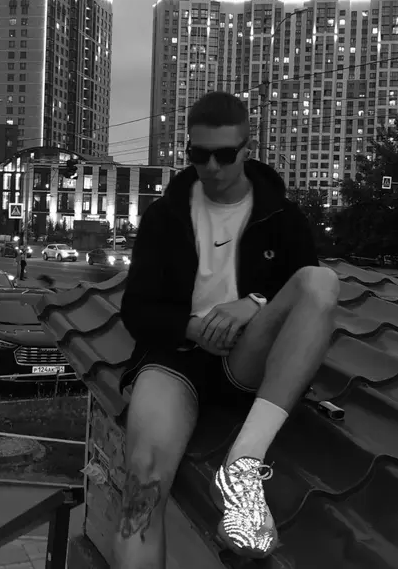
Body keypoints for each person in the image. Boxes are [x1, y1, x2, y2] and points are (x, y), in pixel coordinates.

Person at [115, 91, 340, 568]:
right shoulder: (164, 217)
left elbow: (303, 299)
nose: (212, 167)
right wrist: (192, 328)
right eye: (199, 155)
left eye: (224, 155)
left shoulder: (283, 217)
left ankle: (243, 466)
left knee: (321, 282)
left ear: (246, 149)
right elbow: (136, 309)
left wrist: (254, 304)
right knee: (141, 488)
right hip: (175, 362)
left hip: (247, 355)